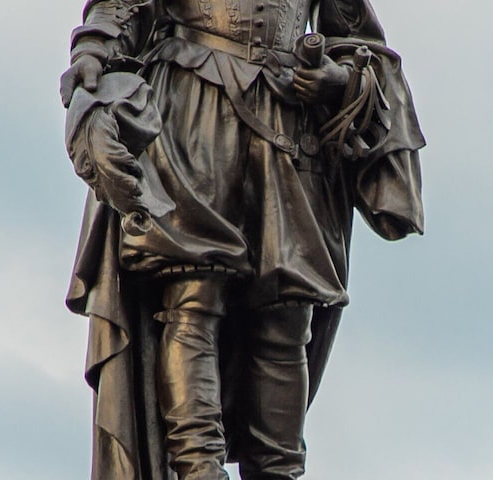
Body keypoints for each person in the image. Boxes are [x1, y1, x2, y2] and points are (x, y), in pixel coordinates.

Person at [60, 1, 426, 479]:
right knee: (192, 296)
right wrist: (94, 47)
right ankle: (199, 470)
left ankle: (278, 470)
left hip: (288, 128)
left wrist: (338, 80)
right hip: (191, 110)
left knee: (287, 314)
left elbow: (359, 40)